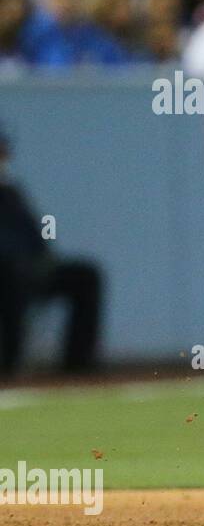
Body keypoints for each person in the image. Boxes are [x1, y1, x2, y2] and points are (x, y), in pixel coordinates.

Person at [0, 123, 103, 378]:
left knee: (86, 275)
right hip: (7, 274)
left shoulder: (11, 191)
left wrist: (43, 262)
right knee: (9, 275)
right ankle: (9, 368)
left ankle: (77, 368)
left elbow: (35, 240)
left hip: (29, 271)